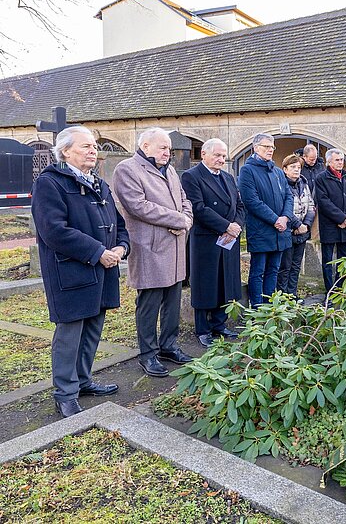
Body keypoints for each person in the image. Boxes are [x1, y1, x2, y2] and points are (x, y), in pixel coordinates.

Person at [32, 126, 129, 417]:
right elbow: (54, 231)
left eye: (94, 146)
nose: (93, 151)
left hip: (103, 269)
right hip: (71, 271)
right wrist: (98, 252)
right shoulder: (51, 183)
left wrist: (122, 247)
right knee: (70, 333)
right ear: (65, 151)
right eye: (86, 146)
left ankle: (84, 380)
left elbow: (119, 224)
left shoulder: (99, 183)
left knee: (92, 329)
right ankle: (65, 392)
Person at [113, 127, 194, 378]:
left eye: (168, 148)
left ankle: (168, 345)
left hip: (176, 246)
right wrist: (178, 219)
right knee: (149, 303)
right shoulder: (127, 169)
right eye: (162, 148)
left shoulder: (169, 169)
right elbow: (139, 207)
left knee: (172, 300)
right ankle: (148, 354)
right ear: (145, 146)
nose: (167, 152)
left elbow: (184, 199)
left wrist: (186, 219)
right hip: (150, 247)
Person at [180, 139, 245, 347]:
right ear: (204, 154)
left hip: (229, 239)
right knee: (205, 284)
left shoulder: (228, 177)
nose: (221, 159)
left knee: (225, 282)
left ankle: (219, 324)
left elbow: (239, 204)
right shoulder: (192, 176)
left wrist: (236, 225)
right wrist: (226, 225)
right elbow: (198, 208)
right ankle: (203, 329)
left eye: (223, 155)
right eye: (217, 155)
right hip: (207, 239)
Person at [238, 133, 293, 308]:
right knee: (258, 271)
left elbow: (288, 196)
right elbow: (251, 201)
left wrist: (285, 217)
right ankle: (257, 308)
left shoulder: (277, 171)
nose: (270, 150)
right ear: (255, 148)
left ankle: (269, 307)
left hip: (280, 230)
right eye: (266, 146)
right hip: (261, 229)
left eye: (272, 147)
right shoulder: (247, 170)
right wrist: (275, 219)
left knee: (274, 270)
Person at [314, 148, 346, 292]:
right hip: (330, 225)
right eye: (337, 160)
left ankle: (341, 288)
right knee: (328, 261)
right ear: (329, 161)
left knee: (344, 260)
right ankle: (330, 290)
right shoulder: (321, 178)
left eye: (342, 160)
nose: (341, 162)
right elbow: (323, 202)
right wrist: (341, 218)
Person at [277, 154, 316, 297]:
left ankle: (292, 295)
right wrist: (297, 224)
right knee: (285, 267)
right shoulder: (281, 185)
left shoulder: (303, 184)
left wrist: (306, 224)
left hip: (303, 231)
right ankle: (282, 296)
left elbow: (311, 206)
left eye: (298, 167)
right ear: (285, 169)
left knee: (296, 266)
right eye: (292, 167)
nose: (296, 170)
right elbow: (283, 207)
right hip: (288, 231)